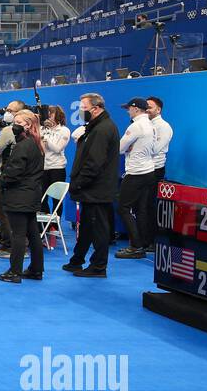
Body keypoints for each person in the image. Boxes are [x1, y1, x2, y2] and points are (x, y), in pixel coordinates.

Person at [64, 93, 120, 278]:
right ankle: (77, 260)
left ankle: (98, 267)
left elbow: (94, 163)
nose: (80, 111)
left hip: (97, 188)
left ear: (95, 109)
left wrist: (79, 184)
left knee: (98, 229)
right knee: (87, 227)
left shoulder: (103, 129)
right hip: (92, 188)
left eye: (84, 108)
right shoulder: (95, 128)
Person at [0, 110, 46, 283]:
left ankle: (15, 271)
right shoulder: (36, 144)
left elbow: (13, 172)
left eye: (18, 121)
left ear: (28, 125)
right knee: (33, 234)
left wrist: (2, 179)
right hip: (31, 194)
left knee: (18, 235)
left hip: (19, 195)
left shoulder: (23, 146)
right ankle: (36, 269)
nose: (14, 124)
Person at [115, 97, 157, 259]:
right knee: (140, 209)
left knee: (123, 208)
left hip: (136, 172)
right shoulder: (150, 126)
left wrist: (127, 149)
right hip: (148, 171)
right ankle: (142, 244)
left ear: (136, 109)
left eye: (129, 108)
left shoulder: (137, 126)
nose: (127, 111)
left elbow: (119, 148)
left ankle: (136, 246)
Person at [0, 100, 28, 257]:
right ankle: (17, 246)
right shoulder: (34, 132)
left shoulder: (8, 130)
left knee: (3, 213)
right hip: (25, 180)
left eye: (11, 110)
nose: (7, 113)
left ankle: (8, 247)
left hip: (9, 176)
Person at [145, 96, 173, 249]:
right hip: (143, 168)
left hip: (155, 169)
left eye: (150, 107)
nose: (147, 109)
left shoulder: (164, 126)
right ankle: (144, 238)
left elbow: (155, 149)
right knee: (141, 205)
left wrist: (138, 145)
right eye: (146, 107)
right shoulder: (144, 125)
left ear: (158, 109)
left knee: (150, 205)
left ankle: (152, 241)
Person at [40, 104, 71, 203]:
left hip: (57, 168)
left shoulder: (64, 130)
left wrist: (45, 138)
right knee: (42, 198)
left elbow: (57, 149)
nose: (48, 116)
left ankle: (56, 218)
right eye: (47, 114)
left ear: (58, 115)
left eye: (51, 114)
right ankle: (44, 217)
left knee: (57, 200)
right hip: (43, 168)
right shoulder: (42, 129)